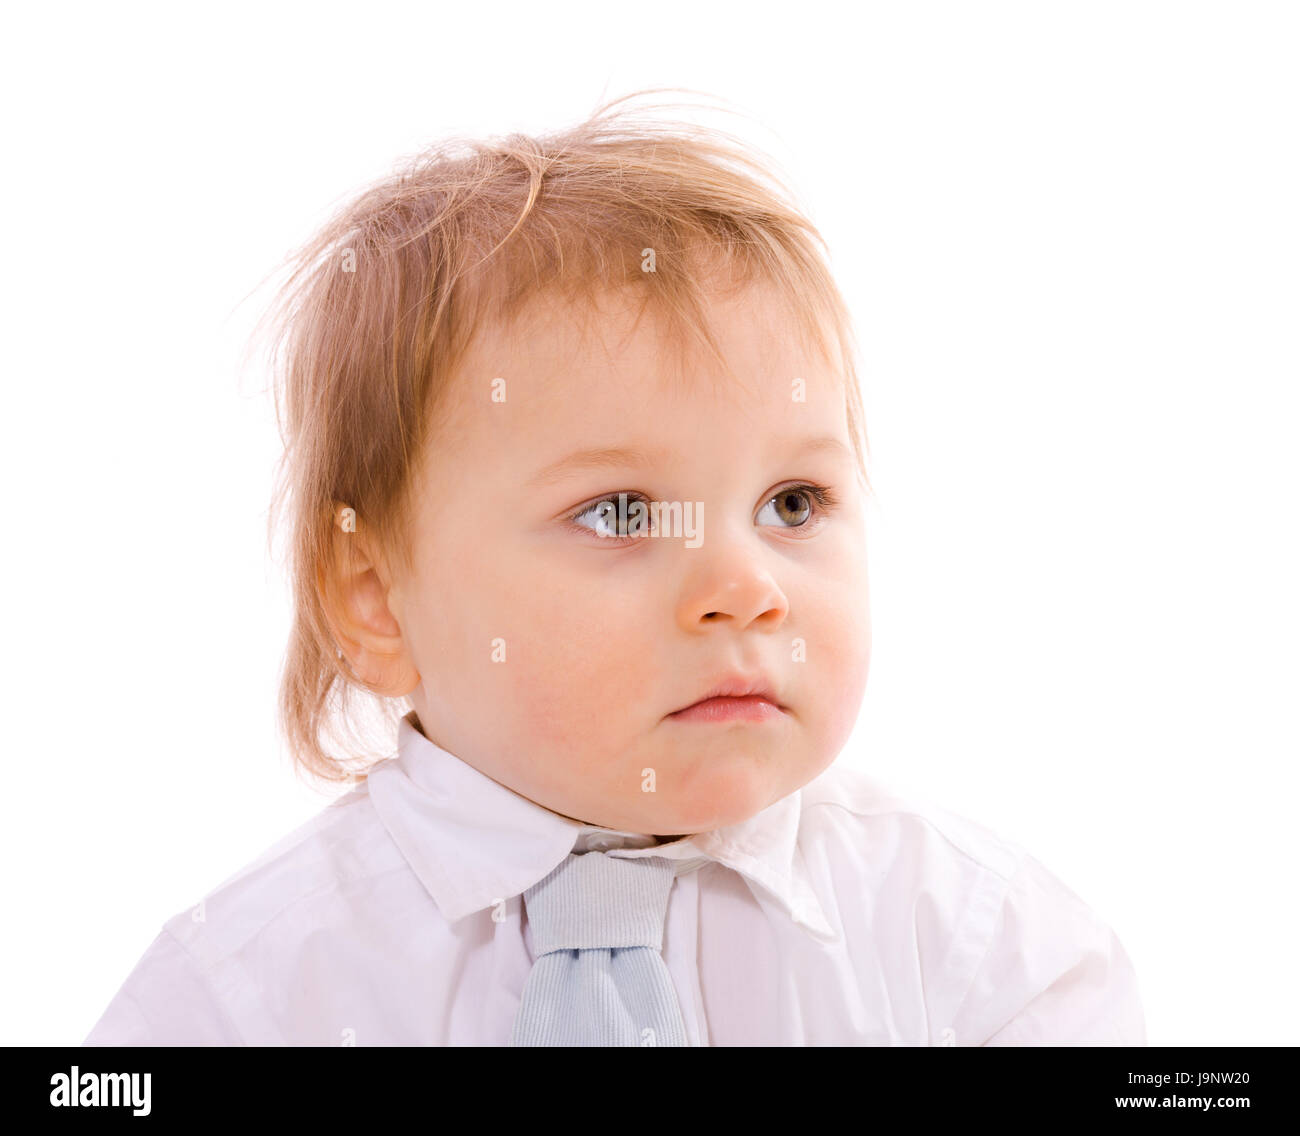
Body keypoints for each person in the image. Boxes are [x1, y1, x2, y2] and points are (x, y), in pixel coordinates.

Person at [83, 91, 1145, 1046]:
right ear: (376, 599)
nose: (745, 586)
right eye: (621, 512)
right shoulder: (245, 993)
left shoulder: (977, 946)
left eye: (792, 503)